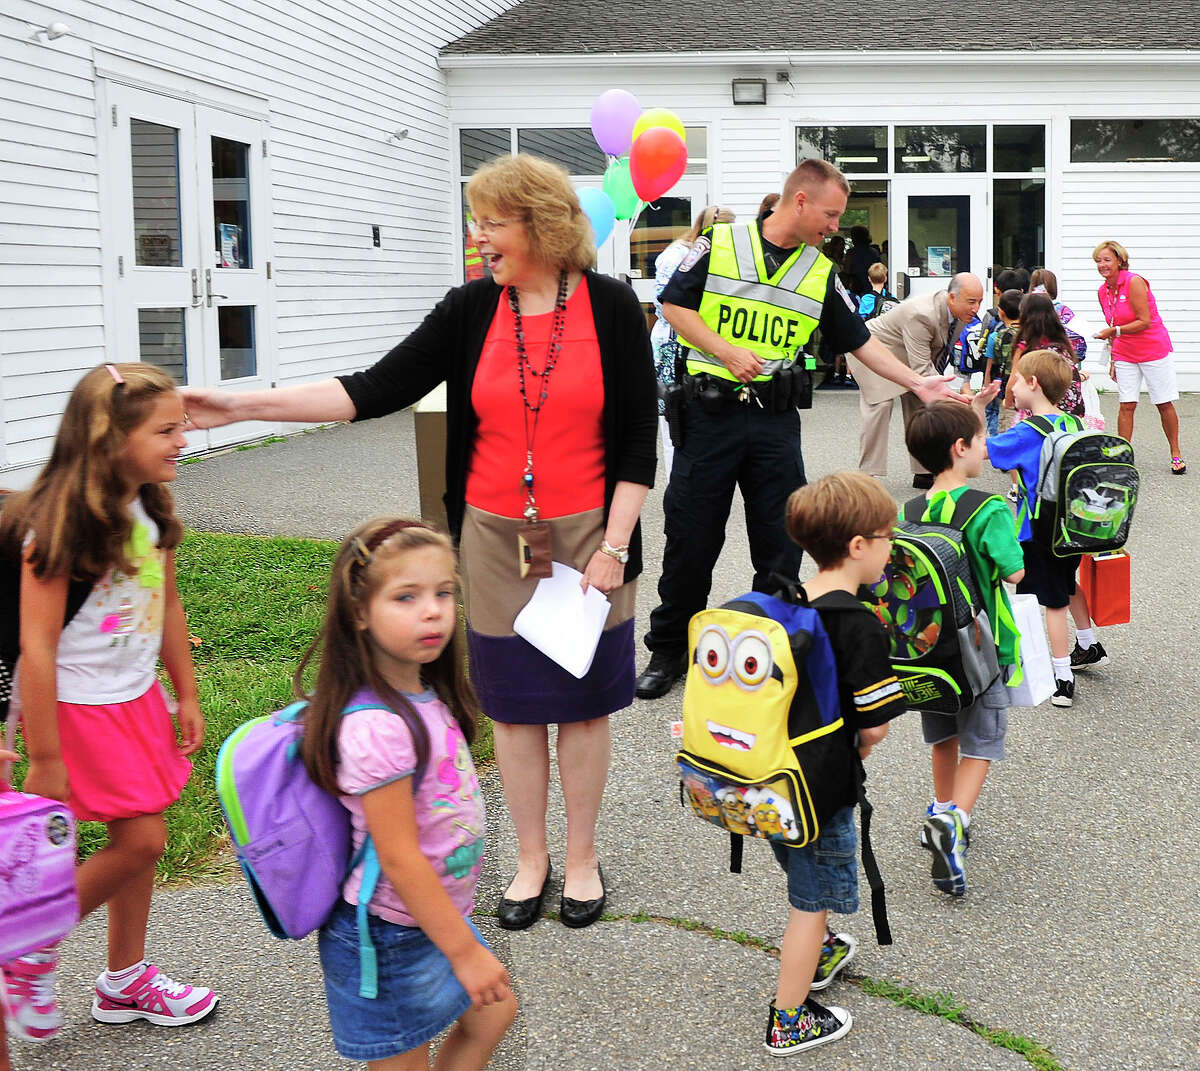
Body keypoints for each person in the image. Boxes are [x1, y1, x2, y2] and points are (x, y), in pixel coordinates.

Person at [183, 153, 658, 930]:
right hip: (496, 538)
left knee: (581, 707)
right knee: (510, 707)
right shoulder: (469, 310)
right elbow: (370, 389)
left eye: (491, 223)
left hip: (589, 537)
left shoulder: (609, 305)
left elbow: (640, 437)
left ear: (539, 224)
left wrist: (614, 543)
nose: (479, 238)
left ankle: (581, 856)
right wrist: (239, 407)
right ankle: (530, 857)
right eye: (477, 222)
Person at [634, 158, 964, 701]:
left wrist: (920, 384)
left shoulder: (819, 271)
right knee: (691, 542)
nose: (836, 226)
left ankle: (775, 645)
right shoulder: (720, 243)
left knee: (782, 545)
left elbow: (860, 340)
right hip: (709, 417)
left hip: (773, 423)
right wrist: (724, 350)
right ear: (801, 201)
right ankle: (669, 650)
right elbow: (671, 305)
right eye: (831, 214)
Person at [0, 363, 215, 1042]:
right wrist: (46, 755)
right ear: (109, 439)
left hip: (134, 698)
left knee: (139, 841)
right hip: (76, 710)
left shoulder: (149, 507)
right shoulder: (62, 529)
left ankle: (125, 978)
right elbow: (36, 648)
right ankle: (27, 943)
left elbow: (167, 602)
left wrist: (184, 689)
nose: (184, 437)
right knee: (143, 839)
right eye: (166, 428)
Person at [298, 517, 516, 1069]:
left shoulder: (419, 691)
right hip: (391, 933)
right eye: (406, 596)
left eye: (444, 592)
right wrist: (463, 950)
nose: (433, 610)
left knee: (494, 1012)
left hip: (432, 915)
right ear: (359, 614)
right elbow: (397, 855)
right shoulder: (376, 728)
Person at [765, 471, 906, 1054]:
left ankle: (819, 952)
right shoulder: (857, 624)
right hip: (819, 791)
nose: (892, 547)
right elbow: (873, 724)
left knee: (802, 874)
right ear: (858, 547)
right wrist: (862, 749)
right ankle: (789, 1019)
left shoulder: (782, 603)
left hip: (764, 782)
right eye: (887, 537)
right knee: (811, 899)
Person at [904, 400, 1025, 896]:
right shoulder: (988, 508)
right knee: (982, 741)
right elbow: (1015, 571)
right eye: (981, 440)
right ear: (960, 449)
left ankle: (938, 808)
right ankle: (954, 824)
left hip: (927, 649)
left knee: (943, 734)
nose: (985, 447)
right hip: (980, 648)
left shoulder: (909, 510)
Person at [986, 350, 1104, 708]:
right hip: (1075, 526)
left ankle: (1061, 676)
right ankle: (1088, 643)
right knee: (1066, 583)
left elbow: (983, 451)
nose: (1014, 386)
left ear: (1033, 384)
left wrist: (976, 409)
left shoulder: (1026, 431)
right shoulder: (1073, 423)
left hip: (1039, 529)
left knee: (1051, 600)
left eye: (1018, 379)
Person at [846, 274, 985, 487]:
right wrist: (954, 398)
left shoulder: (959, 315)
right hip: (873, 349)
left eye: (979, 302)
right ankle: (867, 476)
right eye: (971, 301)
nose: (976, 308)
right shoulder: (921, 314)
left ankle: (924, 471)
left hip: (908, 352)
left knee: (920, 403)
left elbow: (939, 355)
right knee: (880, 405)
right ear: (952, 297)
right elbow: (922, 369)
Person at [651, 205, 736, 473]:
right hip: (672, 344)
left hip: (700, 343)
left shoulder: (722, 255)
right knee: (672, 411)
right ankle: (675, 474)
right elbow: (665, 305)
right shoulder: (676, 254)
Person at [1092, 240, 1185, 474]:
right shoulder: (1103, 291)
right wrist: (1113, 358)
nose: (1102, 265)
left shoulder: (1134, 281)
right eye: (1098, 261)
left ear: (1120, 261)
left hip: (1152, 348)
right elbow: (1112, 324)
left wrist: (1114, 332)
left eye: (1107, 260)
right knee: (1126, 404)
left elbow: (1143, 321)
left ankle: (1176, 453)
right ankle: (1124, 453)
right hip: (1125, 351)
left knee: (1163, 402)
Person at [1003, 292, 1086, 419]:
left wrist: (1007, 401)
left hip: (1040, 415)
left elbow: (1014, 379)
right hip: (1069, 414)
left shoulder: (1026, 346)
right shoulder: (1062, 343)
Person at [981, 288, 1022, 441]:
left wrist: (986, 387)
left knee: (1006, 429)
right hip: (1028, 392)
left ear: (1000, 311)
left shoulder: (995, 337)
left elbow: (990, 366)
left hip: (1005, 392)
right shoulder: (1031, 334)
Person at [845, 225, 881, 295]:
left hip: (857, 288)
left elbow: (847, 270)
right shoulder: (874, 252)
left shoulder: (851, 252)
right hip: (873, 286)